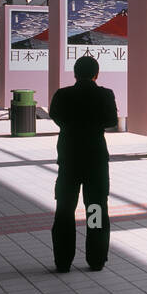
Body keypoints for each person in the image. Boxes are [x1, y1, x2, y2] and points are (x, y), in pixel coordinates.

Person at [48, 56, 119, 272]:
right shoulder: (105, 94)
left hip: (69, 158)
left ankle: (63, 261)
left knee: (65, 209)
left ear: (75, 73)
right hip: (95, 159)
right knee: (96, 207)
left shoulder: (63, 94)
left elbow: (55, 116)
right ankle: (96, 258)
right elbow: (112, 121)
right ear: (96, 74)